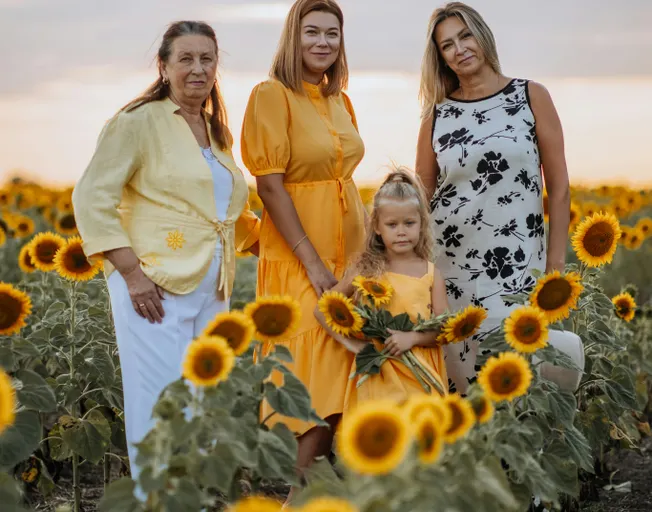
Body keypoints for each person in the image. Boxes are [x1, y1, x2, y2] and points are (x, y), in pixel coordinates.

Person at [72, 21, 260, 494]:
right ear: (164, 64)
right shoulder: (137, 121)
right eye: (186, 59)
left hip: (212, 288)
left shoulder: (216, 132)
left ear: (217, 66)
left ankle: (189, 503)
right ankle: (157, 503)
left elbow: (224, 212)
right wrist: (131, 273)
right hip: (153, 285)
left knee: (200, 403)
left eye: (207, 59)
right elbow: (91, 197)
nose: (198, 69)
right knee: (159, 403)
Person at [240, 0, 365, 499]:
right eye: (311, 32)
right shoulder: (272, 95)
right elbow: (270, 187)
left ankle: (322, 495)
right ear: (293, 38)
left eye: (331, 34)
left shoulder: (341, 100)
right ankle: (298, 496)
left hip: (352, 256)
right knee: (314, 373)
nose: (322, 43)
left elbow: (344, 178)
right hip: (300, 257)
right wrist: (311, 261)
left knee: (350, 365)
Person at [415, 2, 570, 395]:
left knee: (521, 370)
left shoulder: (531, 96)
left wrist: (555, 265)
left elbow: (559, 185)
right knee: (462, 377)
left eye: (465, 36)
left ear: (482, 36)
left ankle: (524, 454)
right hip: (451, 269)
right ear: (441, 58)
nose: (460, 49)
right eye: (447, 45)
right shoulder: (436, 115)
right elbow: (422, 195)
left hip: (517, 264)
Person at [315, 169, 449, 410]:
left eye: (409, 223)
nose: (401, 231)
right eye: (392, 224)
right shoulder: (365, 270)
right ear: (376, 226)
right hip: (378, 373)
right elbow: (322, 310)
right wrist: (352, 344)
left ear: (421, 224)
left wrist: (413, 337)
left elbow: (444, 330)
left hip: (420, 375)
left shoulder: (431, 274)